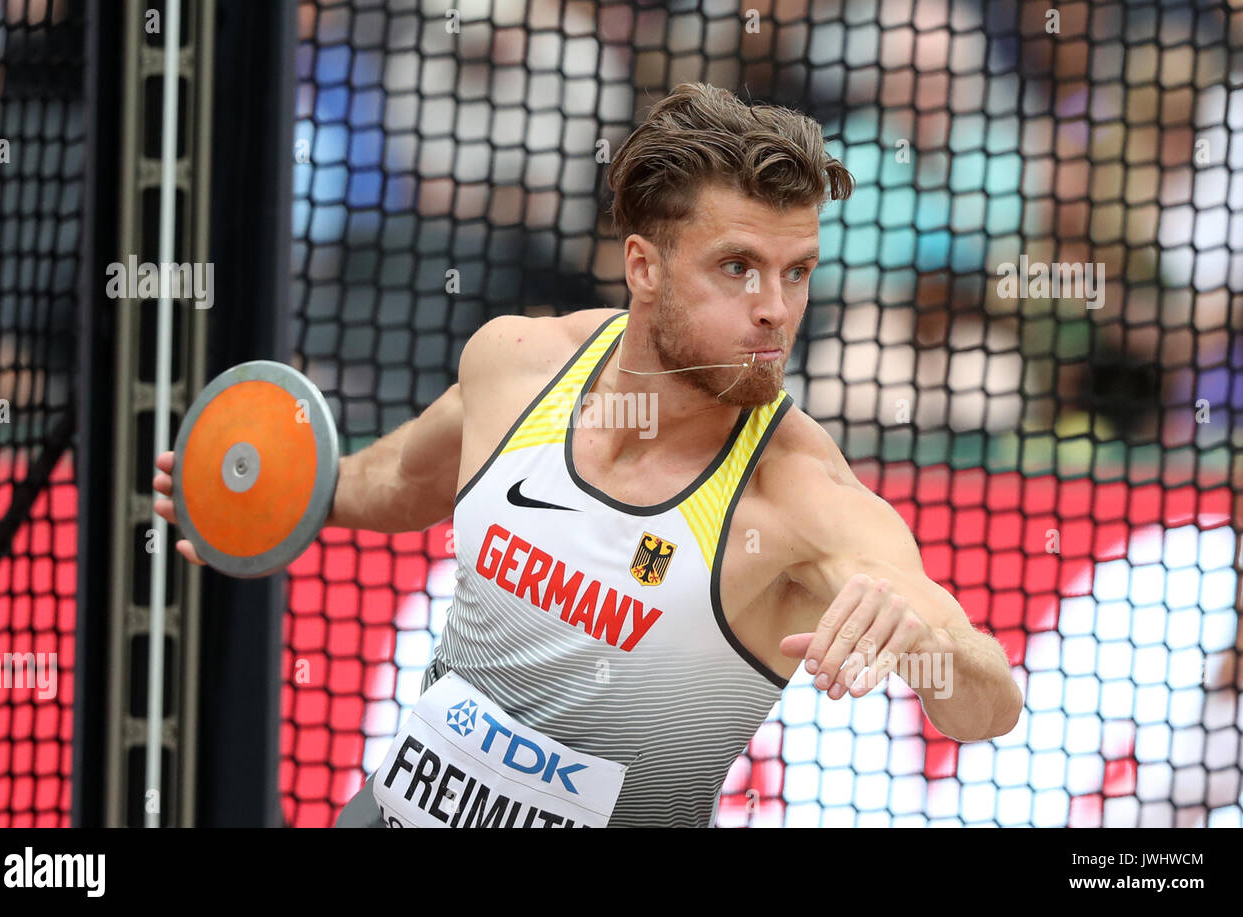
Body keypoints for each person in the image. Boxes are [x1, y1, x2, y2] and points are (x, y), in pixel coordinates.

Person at [153, 82, 1023, 828]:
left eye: (796, 271)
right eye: (737, 267)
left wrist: (926, 647)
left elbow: (987, 705)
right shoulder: (517, 365)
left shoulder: (798, 495)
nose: (776, 309)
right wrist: (282, 498)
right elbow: (402, 481)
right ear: (643, 265)